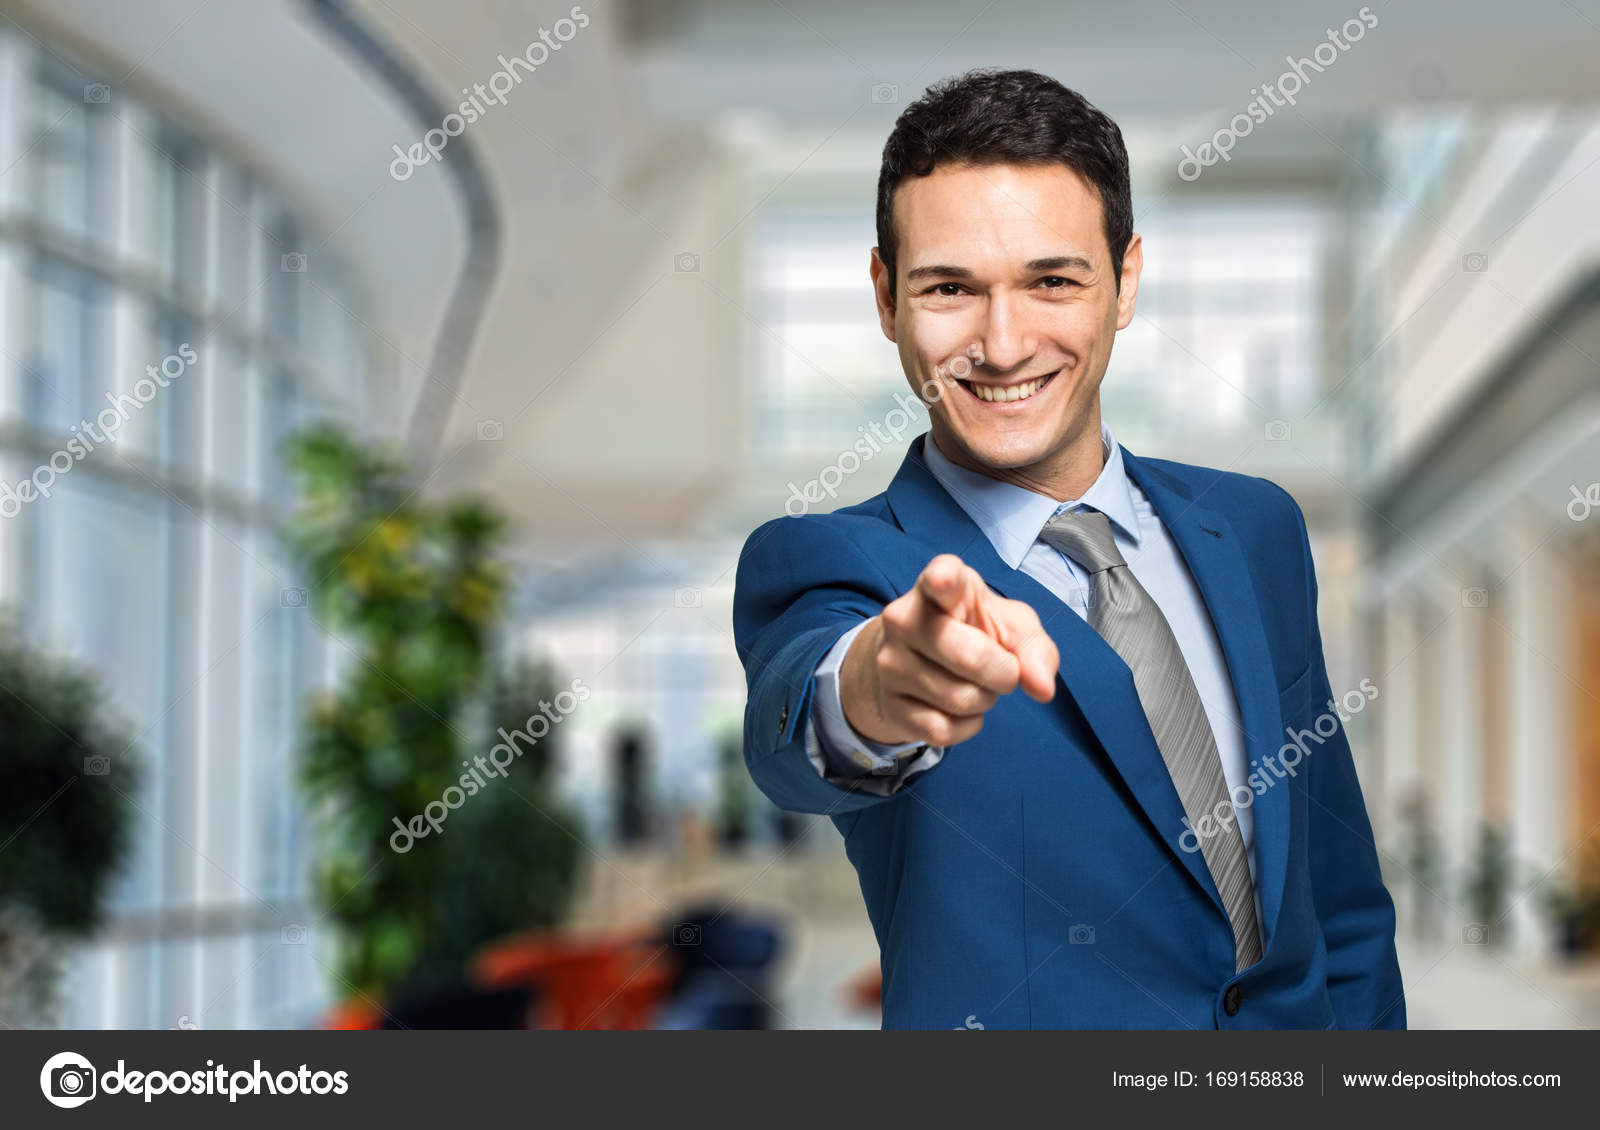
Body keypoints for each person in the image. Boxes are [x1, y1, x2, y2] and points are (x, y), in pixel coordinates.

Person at [732, 69, 1404, 1030]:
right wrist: (881, 687)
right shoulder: (839, 563)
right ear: (886, 298)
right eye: (949, 288)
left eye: (1052, 281)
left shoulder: (1257, 530)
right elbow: (802, 720)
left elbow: (1336, 897)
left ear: (1125, 281)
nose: (1003, 345)